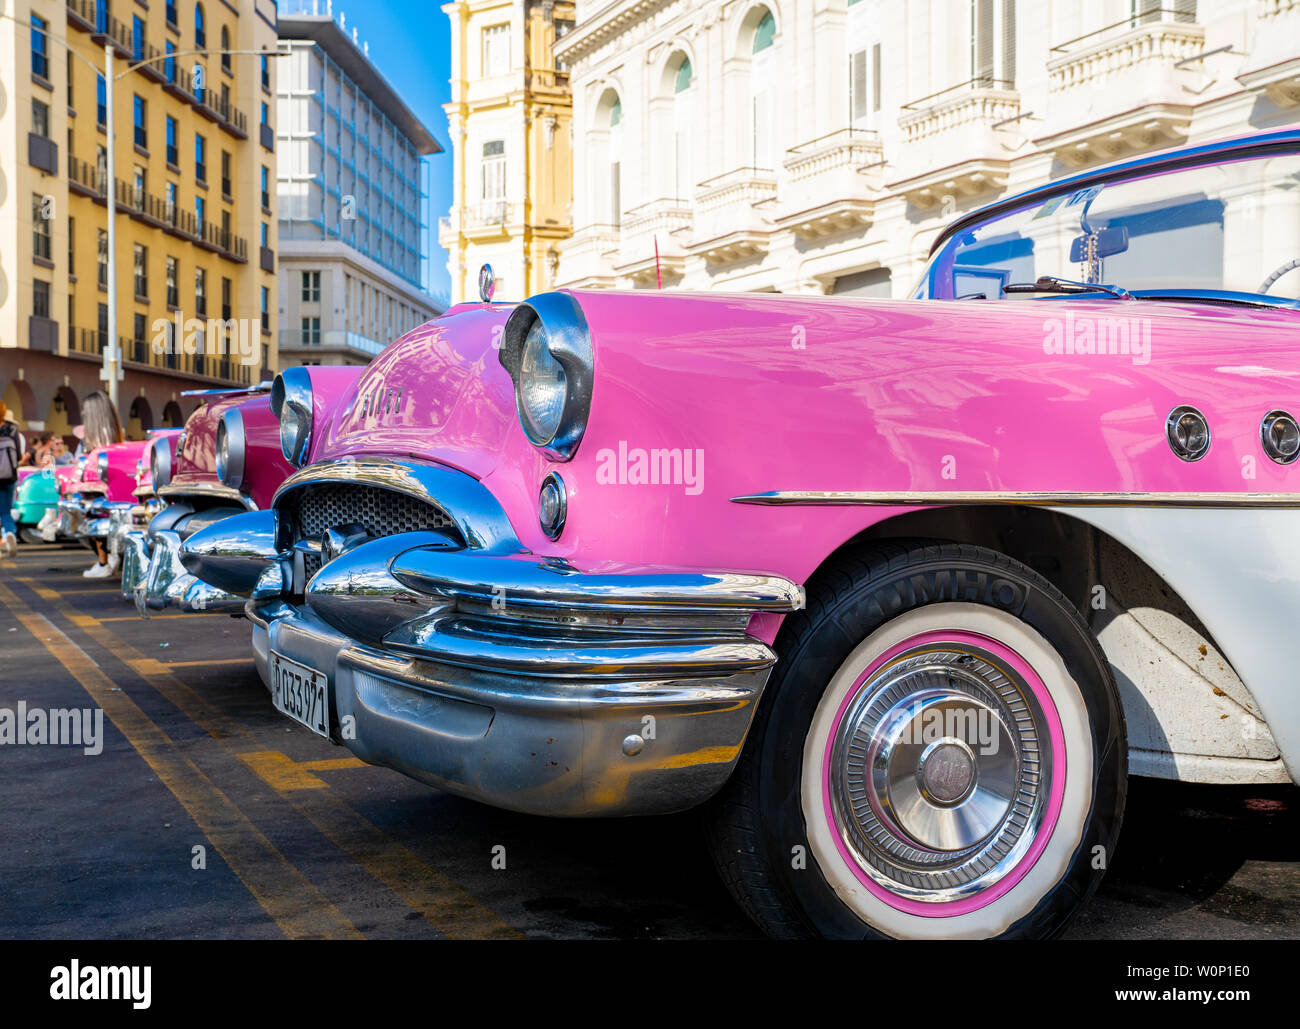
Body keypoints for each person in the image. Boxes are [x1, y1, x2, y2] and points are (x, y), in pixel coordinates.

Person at [78, 392, 125, 579]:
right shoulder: (114, 433)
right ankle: (110, 558)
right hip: (114, 485)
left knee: (93, 514)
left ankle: (103, 561)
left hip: (99, 486)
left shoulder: (94, 441)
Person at [0, 404, 25, 558]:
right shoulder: (11, 430)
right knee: (5, 511)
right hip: (9, 476)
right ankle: (10, 533)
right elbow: (19, 456)